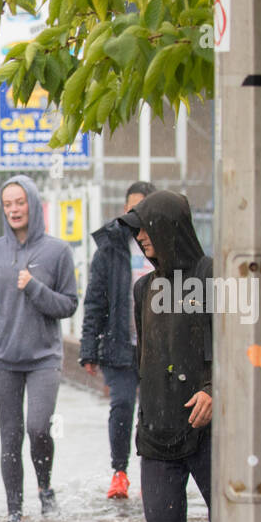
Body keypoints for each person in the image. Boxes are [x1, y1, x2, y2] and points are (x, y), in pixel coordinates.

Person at [118, 191, 213, 522]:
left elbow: (234, 345)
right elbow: (146, 361)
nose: (139, 236)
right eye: (135, 229)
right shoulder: (144, 290)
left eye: (146, 226)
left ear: (170, 226)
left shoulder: (210, 276)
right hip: (156, 429)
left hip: (208, 426)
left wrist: (216, 389)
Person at [0, 174, 78, 522]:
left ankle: (45, 491)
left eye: (20, 202)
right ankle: (14, 512)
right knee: (9, 439)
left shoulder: (58, 252)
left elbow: (69, 305)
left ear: (33, 204)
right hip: (3, 361)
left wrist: (35, 288)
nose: (14, 209)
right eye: (7, 204)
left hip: (44, 359)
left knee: (38, 428)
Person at [79, 181, 156, 500]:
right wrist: (88, 350)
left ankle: (153, 473)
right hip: (119, 345)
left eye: (141, 209)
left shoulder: (165, 247)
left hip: (157, 348)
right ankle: (120, 472)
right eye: (129, 209)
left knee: (153, 413)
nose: (134, 215)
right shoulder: (110, 247)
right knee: (123, 405)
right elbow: (94, 299)